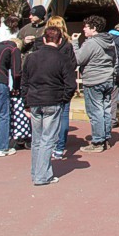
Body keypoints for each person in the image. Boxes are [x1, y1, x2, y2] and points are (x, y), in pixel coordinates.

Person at [21, 26, 76, 186]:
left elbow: (24, 81)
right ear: (59, 41)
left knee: (37, 139)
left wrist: (26, 103)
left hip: (35, 101)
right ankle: (42, 176)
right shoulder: (62, 59)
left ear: (44, 39)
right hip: (53, 100)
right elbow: (70, 84)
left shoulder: (31, 58)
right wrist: (63, 99)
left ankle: (37, 171)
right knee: (47, 139)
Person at [72, 15, 117, 153]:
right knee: (105, 108)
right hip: (108, 79)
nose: (84, 29)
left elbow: (78, 59)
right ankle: (105, 137)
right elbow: (115, 60)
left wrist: (74, 43)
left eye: (86, 26)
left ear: (94, 28)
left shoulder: (91, 43)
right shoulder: (111, 42)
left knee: (95, 110)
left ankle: (98, 141)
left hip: (93, 80)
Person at [43, 16, 77, 159]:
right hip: (63, 83)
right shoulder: (68, 45)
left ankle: (47, 145)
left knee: (46, 116)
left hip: (46, 84)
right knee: (63, 115)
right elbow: (73, 64)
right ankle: (60, 147)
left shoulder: (41, 43)